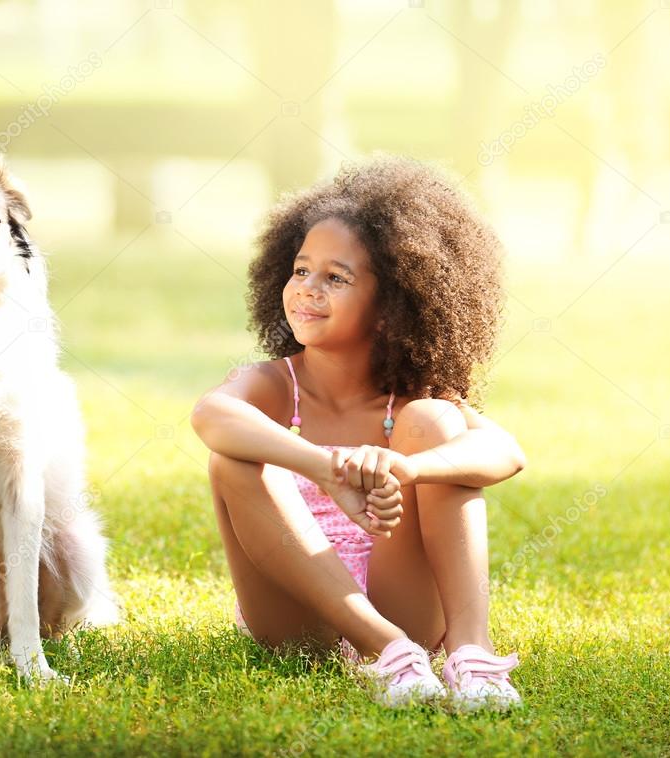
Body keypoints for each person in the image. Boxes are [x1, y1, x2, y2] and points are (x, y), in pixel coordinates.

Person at [190, 156, 527, 711]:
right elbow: (210, 416)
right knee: (236, 455)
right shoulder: (275, 385)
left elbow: (505, 452)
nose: (307, 289)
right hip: (297, 620)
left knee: (438, 427)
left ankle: (470, 651)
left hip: (405, 603)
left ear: (392, 305)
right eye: (300, 271)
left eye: (336, 277)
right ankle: (389, 651)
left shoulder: (410, 400)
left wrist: (407, 467)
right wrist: (323, 467)